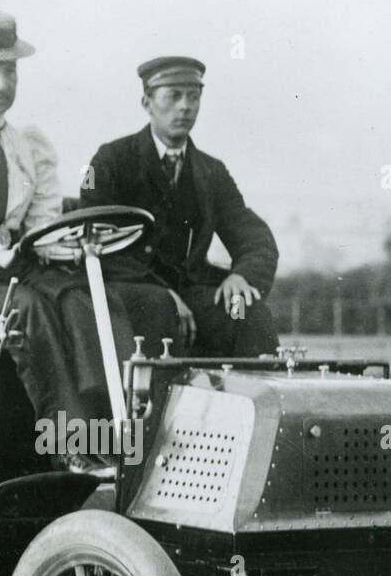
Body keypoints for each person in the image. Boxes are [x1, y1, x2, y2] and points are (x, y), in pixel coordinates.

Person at [0, 11, 173, 471]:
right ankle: (67, 444)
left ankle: (115, 429)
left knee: (82, 297)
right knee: (27, 308)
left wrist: (67, 248)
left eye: (10, 71)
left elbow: (43, 222)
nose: (2, 84)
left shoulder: (27, 143)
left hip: (16, 261)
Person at [81, 56, 280, 357]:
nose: (185, 106)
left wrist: (242, 277)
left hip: (193, 290)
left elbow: (253, 237)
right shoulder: (111, 160)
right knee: (159, 310)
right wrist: (163, 293)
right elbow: (95, 240)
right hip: (131, 289)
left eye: (193, 96)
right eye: (173, 96)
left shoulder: (211, 171)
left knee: (245, 311)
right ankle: (150, 404)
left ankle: (255, 402)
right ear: (147, 102)